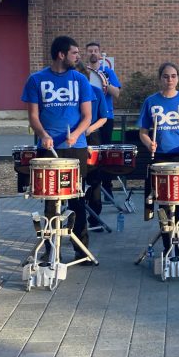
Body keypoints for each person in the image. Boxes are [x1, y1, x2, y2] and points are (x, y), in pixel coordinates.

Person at [21, 36, 95, 262]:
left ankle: (81, 250)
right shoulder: (36, 80)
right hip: (48, 149)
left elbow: (87, 116)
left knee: (77, 200)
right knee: (51, 201)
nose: (78, 56)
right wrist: (43, 135)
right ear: (61, 55)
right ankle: (51, 249)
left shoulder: (80, 80)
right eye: (74, 53)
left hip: (75, 148)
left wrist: (76, 134)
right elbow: (33, 116)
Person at [138, 62, 179, 254]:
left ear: (178, 78)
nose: (170, 80)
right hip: (161, 158)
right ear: (160, 78)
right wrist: (149, 143)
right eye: (166, 76)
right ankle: (168, 245)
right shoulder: (151, 101)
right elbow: (143, 132)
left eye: (173, 76)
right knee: (164, 203)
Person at [73, 62, 109, 232]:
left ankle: (95, 218)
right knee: (75, 179)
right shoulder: (70, 94)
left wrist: (89, 129)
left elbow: (104, 117)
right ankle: (75, 218)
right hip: (74, 137)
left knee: (94, 179)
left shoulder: (96, 92)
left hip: (92, 136)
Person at [85, 42, 121, 195]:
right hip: (88, 118)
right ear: (86, 54)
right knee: (88, 153)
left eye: (95, 51)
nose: (93, 53)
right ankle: (90, 186)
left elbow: (117, 93)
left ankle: (107, 186)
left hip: (106, 117)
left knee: (105, 151)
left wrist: (105, 83)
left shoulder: (108, 72)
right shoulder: (83, 73)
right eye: (90, 51)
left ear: (100, 54)